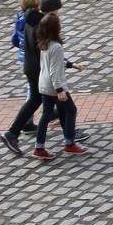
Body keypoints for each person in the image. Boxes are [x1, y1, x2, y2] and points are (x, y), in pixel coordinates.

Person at [2, 0, 56, 156]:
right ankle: (68, 133)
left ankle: (14, 132)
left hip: (30, 64)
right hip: (37, 66)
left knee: (36, 98)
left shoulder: (25, 20)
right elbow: (44, 47)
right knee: (56, 98)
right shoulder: (38, 23)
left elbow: (16, 41)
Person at [30, 11, 85, 158]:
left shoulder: (44, 44)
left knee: (46, 115)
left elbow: (55, 63)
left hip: (44, 84)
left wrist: (72, 65)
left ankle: (39, 147)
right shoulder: (56, 47)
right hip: (54, 86)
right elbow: (55, 71)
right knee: (71, 110)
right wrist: (60, 90)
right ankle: (70, 143)